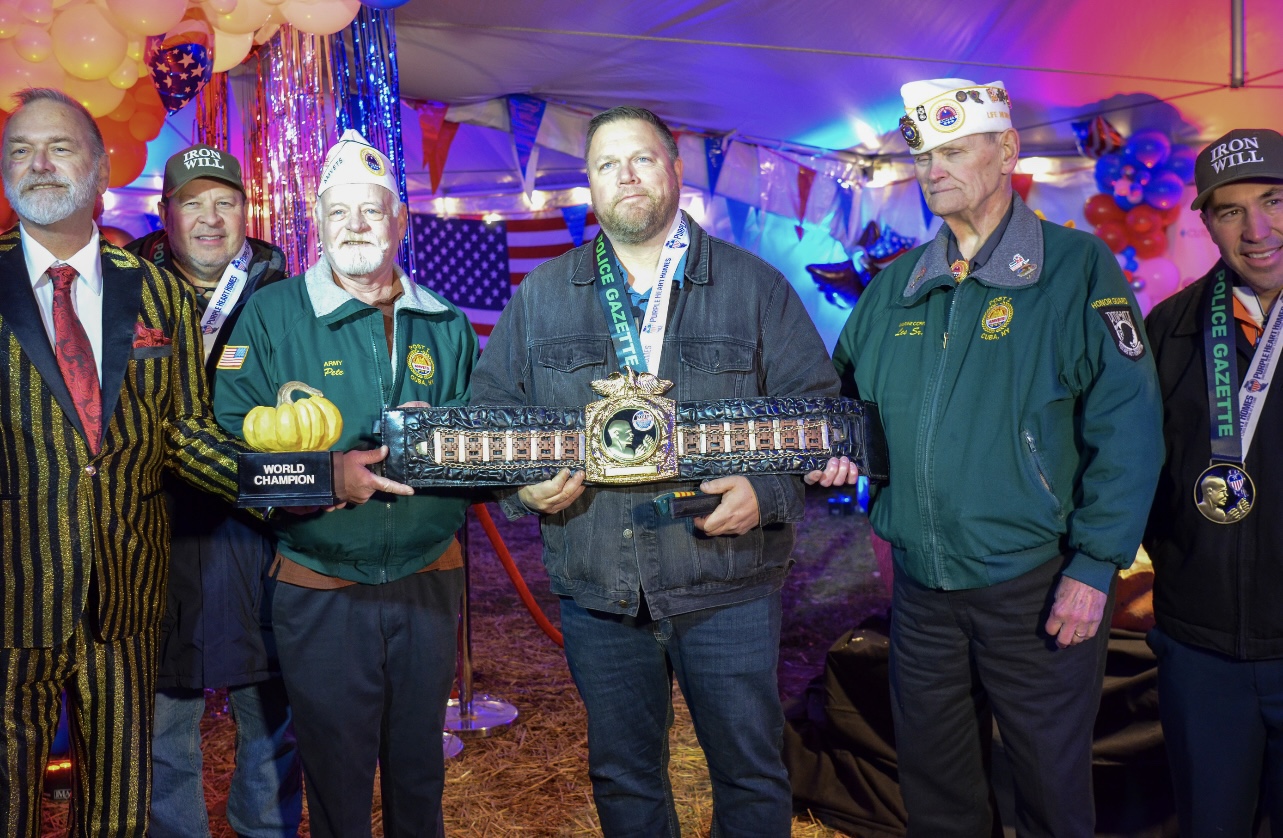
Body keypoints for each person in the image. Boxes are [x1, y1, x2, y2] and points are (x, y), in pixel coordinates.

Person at [469, 106, 841, 835]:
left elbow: (817, 413)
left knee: (748, 769)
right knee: (625, 777)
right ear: (590, 187)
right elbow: (493, 415)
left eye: (641, 159)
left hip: (725, 578)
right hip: (599, 584)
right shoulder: (542, 296)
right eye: (607, 165)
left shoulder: (753, 287)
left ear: (675, 170)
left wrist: (764, 491)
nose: (625, 177)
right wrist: (521, 483)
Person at [825, 78, 1163, 836]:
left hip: (1035, 584)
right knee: (936, 785)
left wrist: (1093, 565)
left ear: (1005, 148)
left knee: (1048, 785)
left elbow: (1129, 424)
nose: (931, 169)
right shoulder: (894, 288)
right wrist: (835, 446)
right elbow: (838, 397)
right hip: (921, 590)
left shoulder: (1075, 268)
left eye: (951, 150)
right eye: (922, 155)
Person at [0, 88, 247, 836]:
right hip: (11, 601)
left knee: (117, 811)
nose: (39, 164)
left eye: (60, 147)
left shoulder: (161, 293)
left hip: (127, 603)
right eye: (19, 151)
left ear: (102, 165)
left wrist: (309, 477)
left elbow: (186, 432)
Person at [214, 129, 475, 838]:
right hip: (318, 581)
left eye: (370, 210)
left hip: (429, 574)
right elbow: (233, 457)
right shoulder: (272, 317)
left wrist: (447, 440)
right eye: (337, 213)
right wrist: (327, 474)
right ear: (317, 223)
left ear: (399, 220)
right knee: (336, 770)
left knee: (420, 764)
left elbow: (483, 445)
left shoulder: (446, 321)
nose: (354, 226)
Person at [125, 145, 301, 838]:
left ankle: (266, 831)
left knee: (272, 717)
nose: (208, 218)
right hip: (155, 538)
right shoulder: (122, 294)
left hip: (262, 536)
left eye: (223, 202)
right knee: (164, 722)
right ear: (165, 213)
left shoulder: (287, 297)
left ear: (244, 212)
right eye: (191, 203)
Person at [1143, 128, 1283, 836]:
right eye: (1229, 211)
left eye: (1273, 199)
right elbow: (1134, 466)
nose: (1256, 229)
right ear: (1204, 221)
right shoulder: (1167, 330)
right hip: (1200, 651)